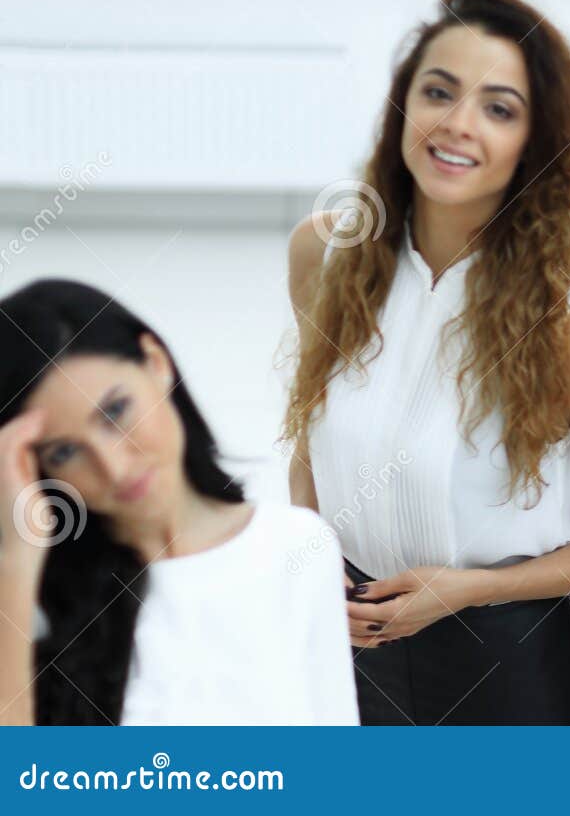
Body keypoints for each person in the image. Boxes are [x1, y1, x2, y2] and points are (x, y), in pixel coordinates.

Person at [283, 0, 570, 725]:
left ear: (535, 142)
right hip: (351, 637)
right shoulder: (324, 254)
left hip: (504, 662)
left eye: (499, 108)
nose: (458, 124)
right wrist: (315, 558)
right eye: (438, 92)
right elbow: (310, 437)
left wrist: (471, 589)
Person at [0, 280, 356, 725]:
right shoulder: (28, 595)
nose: (113, 467)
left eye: (115, 412)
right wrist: (15, 563)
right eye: (65, 452)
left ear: (156, 363)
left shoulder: (297, 546)